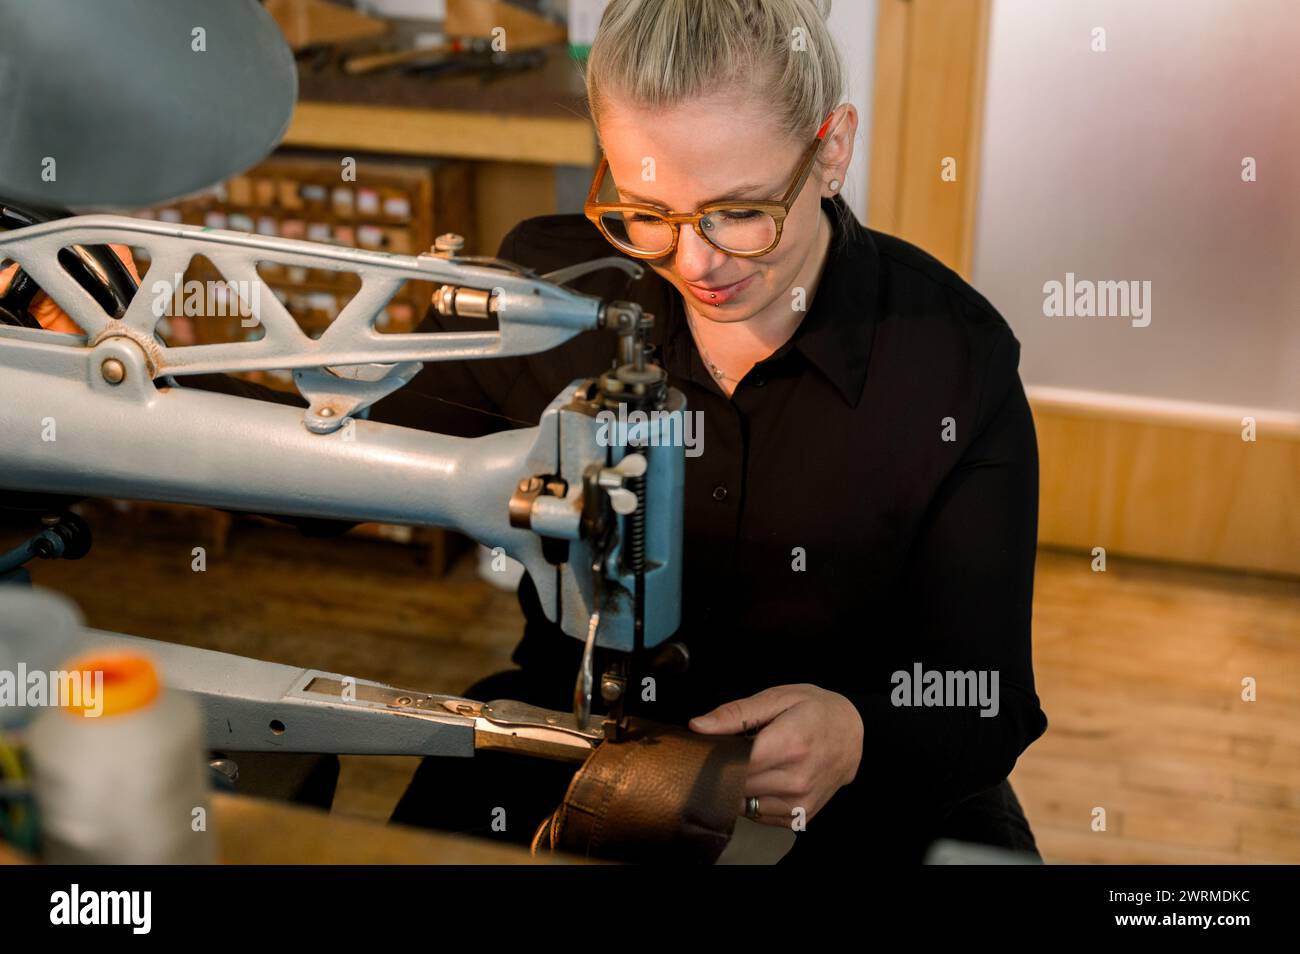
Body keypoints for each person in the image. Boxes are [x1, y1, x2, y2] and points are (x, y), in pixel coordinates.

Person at [1, 0, 1049, 865]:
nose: (692, 262)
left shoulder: (946, 360)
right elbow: (322, 488)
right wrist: (112, 370)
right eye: (643, 207)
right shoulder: (548, 286)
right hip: (564, 738)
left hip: (840, 788)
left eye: (738, 211)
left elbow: (988, 695)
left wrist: (860, 729)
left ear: (831, 152)